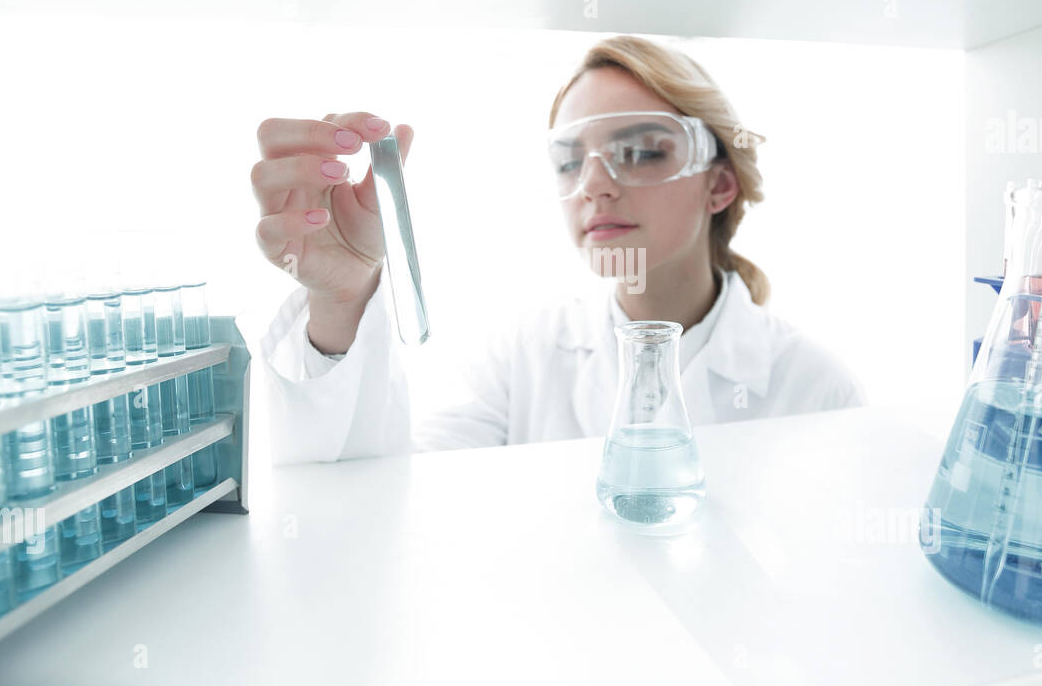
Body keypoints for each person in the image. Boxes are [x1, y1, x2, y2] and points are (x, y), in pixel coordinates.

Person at [253, 36, 866, 463]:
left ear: (720, 183)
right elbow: (390, 502)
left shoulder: (814, 389)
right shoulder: (523, 359)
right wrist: (341, 297)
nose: (594, 184)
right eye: (571, 160)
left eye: (642, 151)